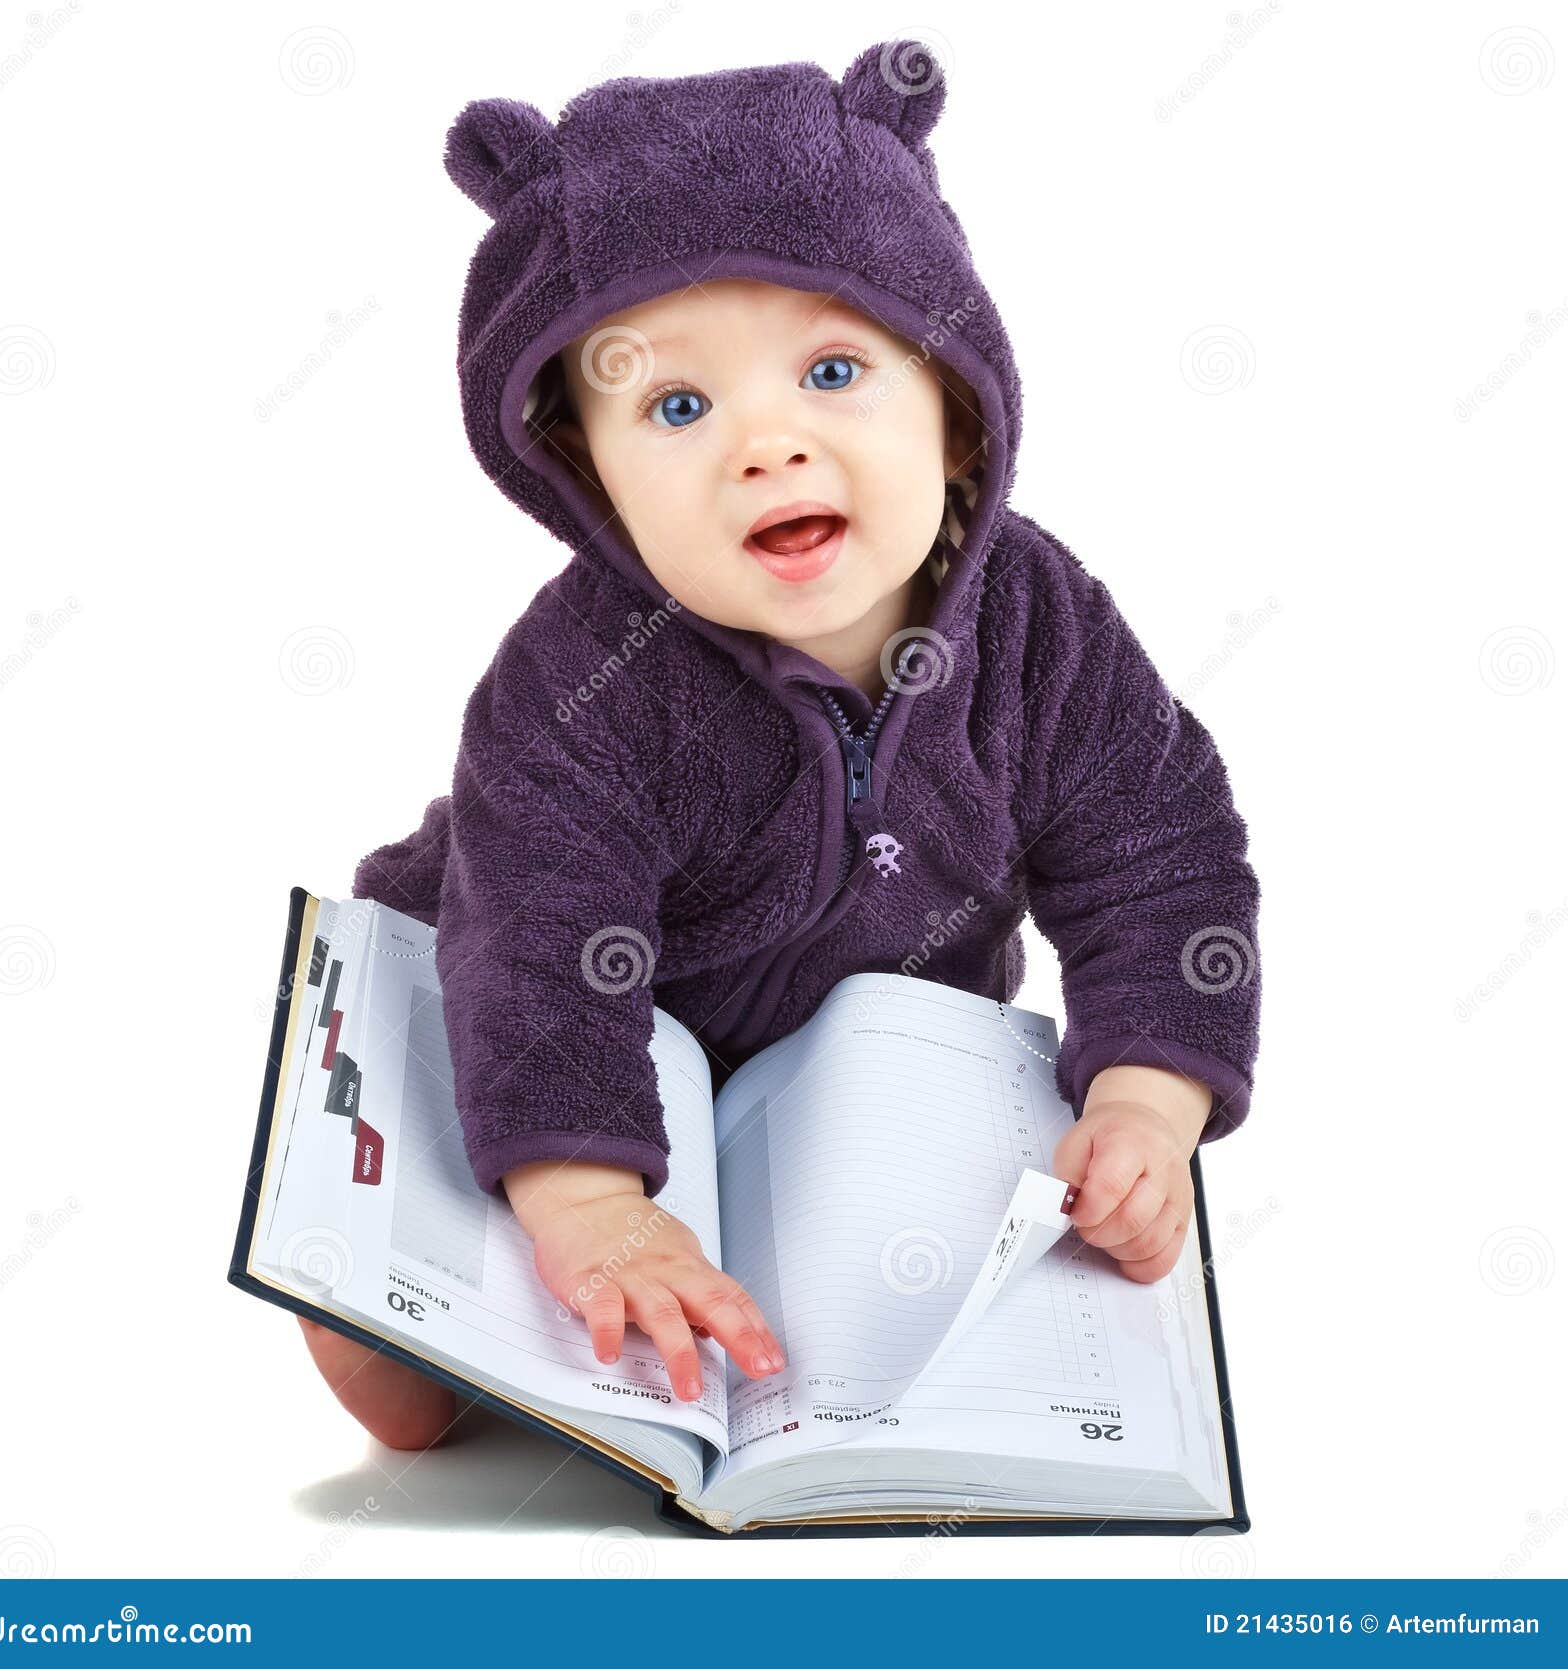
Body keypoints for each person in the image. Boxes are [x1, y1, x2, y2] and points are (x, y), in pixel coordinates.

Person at [301, 39, 1262, 1451]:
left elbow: (1160, 852)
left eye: (832, 370)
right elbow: (539, 946)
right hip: (543, 1028)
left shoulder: (1040, 624)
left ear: (950, 400)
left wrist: (1148, 1092)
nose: (769, 443)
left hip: (850, 1079)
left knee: (909, 1278)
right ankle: (412, 1315)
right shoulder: (583, 681)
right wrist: (591, 1204)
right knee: (497, 1217)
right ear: (588, 474)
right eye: (677, 407)